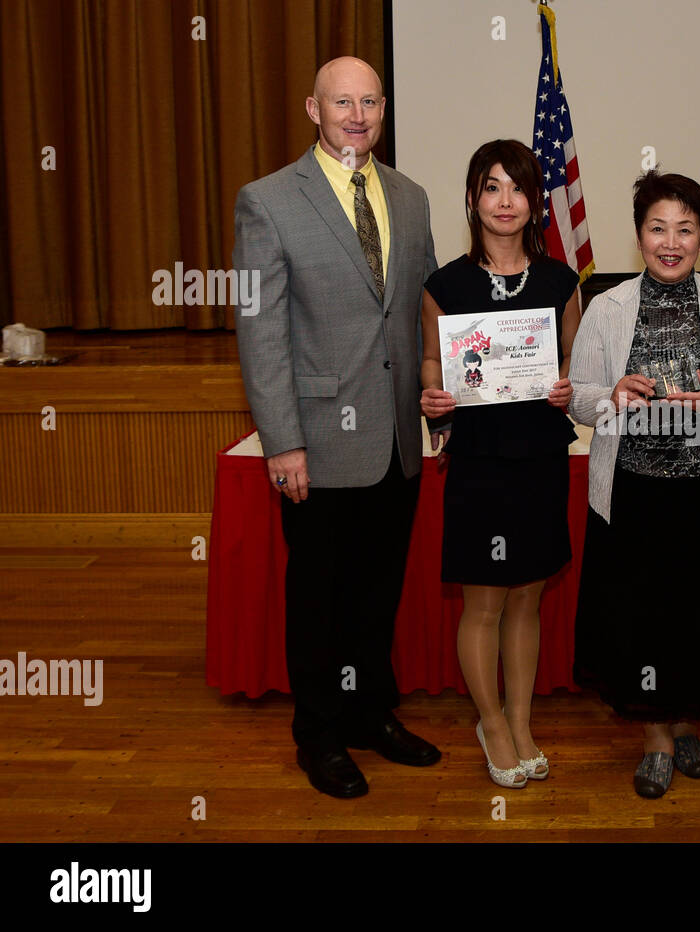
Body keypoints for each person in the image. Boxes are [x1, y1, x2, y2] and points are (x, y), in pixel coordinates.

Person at [233, 56, 442, 799]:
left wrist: (441, 391)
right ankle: (318, 734)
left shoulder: (411, 198)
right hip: (317, 444)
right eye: (342, 102)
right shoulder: (267, 202)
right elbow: (260, 334)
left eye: (371, 102)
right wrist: (283, 441)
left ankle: (369, 714)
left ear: (384, 110)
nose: (357, 115)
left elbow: (424, 313)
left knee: (377, 590)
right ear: (313, 110)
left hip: (395, 442)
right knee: (319, 597)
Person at [568, 170, 700, 798]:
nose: (671, 241)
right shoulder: (605, 308)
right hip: (633, 493)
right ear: (639, 236)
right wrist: (610, 394)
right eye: (658, 228)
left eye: (685, 230)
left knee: (699, 617)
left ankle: (687, 721)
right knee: (641, 619)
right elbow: (578, 402)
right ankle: (655, 737)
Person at [420, 139, 581, 789]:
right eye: (491, 187)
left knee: (527, 600)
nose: (505, 200)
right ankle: (489, 720)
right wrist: (433, 396)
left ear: (534, 202)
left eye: (517, 187)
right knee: (484, 603)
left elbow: (577, 365)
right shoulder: (444, 285)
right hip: (480, 460)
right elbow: (433, 364)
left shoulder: (560, 282)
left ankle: (521, 720)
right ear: (472, 199)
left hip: (540, 456)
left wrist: (570, 385)